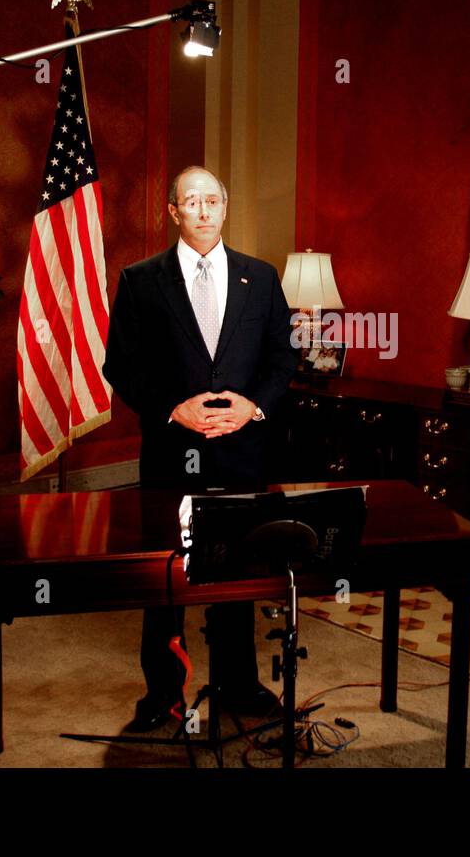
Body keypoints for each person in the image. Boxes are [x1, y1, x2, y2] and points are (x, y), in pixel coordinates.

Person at [102, 166, 297, 732]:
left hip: (242, 451)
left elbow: (283, 358)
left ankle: (239, 684)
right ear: (174, 211)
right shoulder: (141, 280)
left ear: (226, 206)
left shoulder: (260, 279)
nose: (205, 210)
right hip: (171, 451)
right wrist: (172, 408)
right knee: (164, 574)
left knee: (237, 570)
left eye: (213, 200)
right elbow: (123, 365)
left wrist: (252, 406)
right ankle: (161, 694)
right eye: (193, 201)